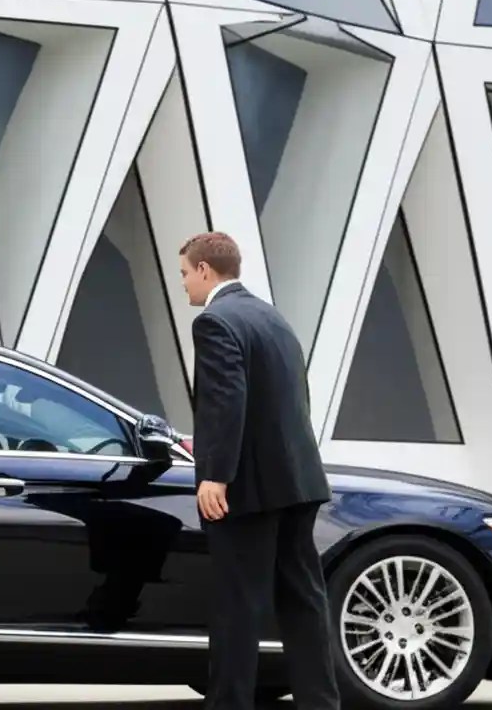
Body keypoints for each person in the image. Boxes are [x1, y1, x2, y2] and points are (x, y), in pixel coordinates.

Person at [177, 232, 340, 710]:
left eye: (185, 273)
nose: (184, 283)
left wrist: (215, 474)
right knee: (304, 601)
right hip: (298, 481)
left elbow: (226, 402)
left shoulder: (214, 321)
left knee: (236, 606)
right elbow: (289, 402)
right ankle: (320, 704)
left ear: (206, 270)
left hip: (247, 488)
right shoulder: (274, 319)